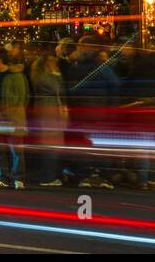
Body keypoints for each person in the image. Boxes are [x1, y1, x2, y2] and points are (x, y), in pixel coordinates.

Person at [67, 35, 120, 188]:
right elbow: (115, 84)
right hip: (100, 111)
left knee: (85, 144)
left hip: (83, 111)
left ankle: (85, 174)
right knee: (100, 144)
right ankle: (103, 175)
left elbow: (70, 89)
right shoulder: (102, 65)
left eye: (80, 46)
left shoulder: (76, 66)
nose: (78, 49)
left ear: (87, 47)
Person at [0, 47, 29, 189]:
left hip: (13, 119)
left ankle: (18, 178)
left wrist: (8, 114)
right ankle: (3, 177)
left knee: (16, 150)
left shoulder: (16, 75)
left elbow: (22, 97)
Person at [30, 52, 67, 186]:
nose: (55, 64)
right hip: (49, 115)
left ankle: (50, 174)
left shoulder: (39, 75)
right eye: (52, 61)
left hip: (49, 113)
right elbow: (57, 89)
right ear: (46, 63)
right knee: (51, 146)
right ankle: (48, 177)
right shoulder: (44, 77)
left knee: (51, 146)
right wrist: (57, 76)